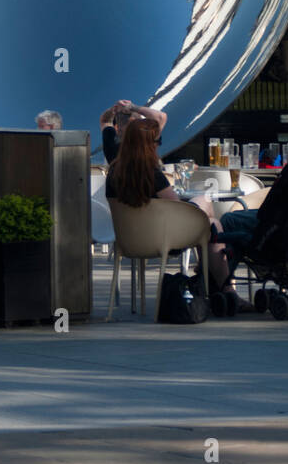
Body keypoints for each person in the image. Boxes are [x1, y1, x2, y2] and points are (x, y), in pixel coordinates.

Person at [105, 117, 250, 312]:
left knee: (207, 217)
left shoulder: (114, 173)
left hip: (129, 241)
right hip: (164, 241)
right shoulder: (153, 174)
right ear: (149, 144)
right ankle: (226, 288)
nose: (159, 145)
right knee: (211, 220)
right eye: (158, 141)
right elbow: (178, 209)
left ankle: (209, 272)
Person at [99, 99, 167, 164]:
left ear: (117, 128)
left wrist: (114, 109)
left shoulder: (112, 146)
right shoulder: (147, 141)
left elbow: (105, 121)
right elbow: (160, 117)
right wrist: (132, 107)